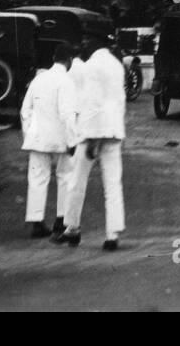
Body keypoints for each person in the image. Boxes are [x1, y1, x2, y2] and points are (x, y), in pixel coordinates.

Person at [54, 36, 126, 251]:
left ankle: (72, 229)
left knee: (77, 181)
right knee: (113, 184)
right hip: (114, 131)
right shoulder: (116, 65)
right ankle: (112, 235)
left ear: (93, 44)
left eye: (86, 42)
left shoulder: (91, 66)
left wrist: (92, 138)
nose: (83, 45)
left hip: (93, 132)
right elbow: (117, 101)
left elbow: (92, 103)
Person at [21, 40, 78, 239]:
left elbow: (25, 110)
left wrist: (29, 133)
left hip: (38, 138)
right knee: (65, 177)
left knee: (37, 178)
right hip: (60, 139)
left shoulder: (39, 80)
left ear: (54, 58)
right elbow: (67, 115)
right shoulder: (66, 82)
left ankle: (37, 223)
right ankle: (60, 221)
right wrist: (72, 141)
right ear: (70, 60)